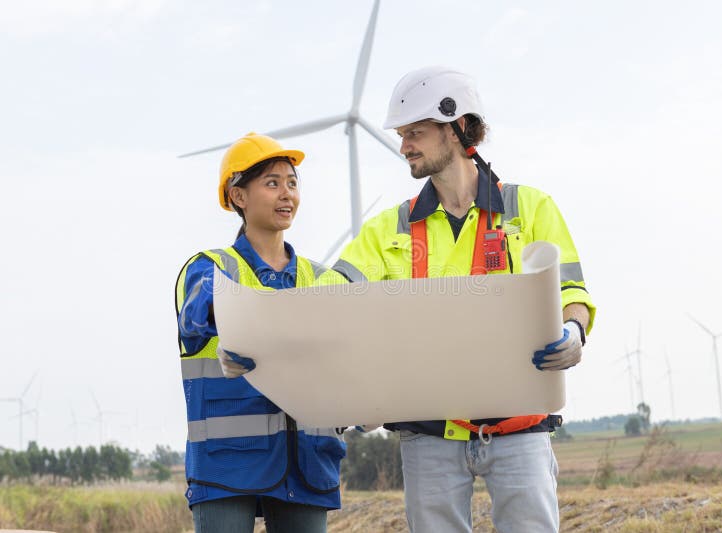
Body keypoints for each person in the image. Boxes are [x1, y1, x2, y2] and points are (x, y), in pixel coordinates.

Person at [331, 66, 597, 532]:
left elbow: (570, 291)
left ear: (456, 128)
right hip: (429, 433)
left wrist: (574, 330)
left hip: (520, 426)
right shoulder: (385, 230)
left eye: (415, 132)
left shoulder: (530, 209)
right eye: (401, 134)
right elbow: (329, 299)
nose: (403, 146)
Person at [175, 132, 347, 533]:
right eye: (272, 183)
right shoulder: (210, 268)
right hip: (227, 462)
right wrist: (240, 312)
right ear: (238, 197)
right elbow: (196, 318)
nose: (287, 194)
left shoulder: (322, 279)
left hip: (307, 461)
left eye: (292, 182)